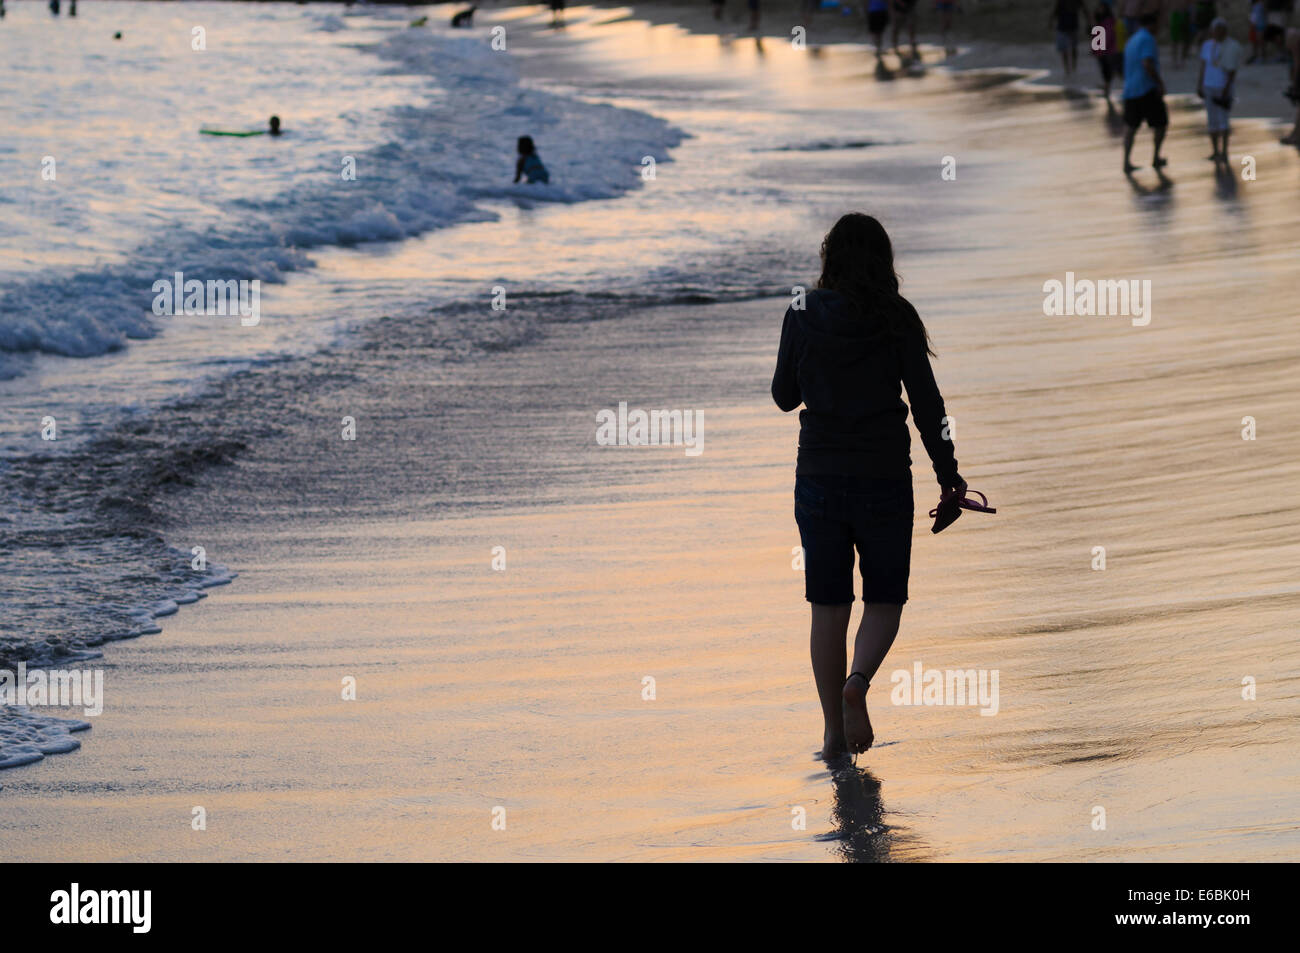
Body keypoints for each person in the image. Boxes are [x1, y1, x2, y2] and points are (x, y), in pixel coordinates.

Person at [772, 213, 966, 759]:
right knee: (884, 598)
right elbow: (929, 406)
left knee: (827, 607)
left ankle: (833, 733)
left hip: (819, 478)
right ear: (885, 261)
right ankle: (858, 682)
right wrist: (949, 477)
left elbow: (784, 397)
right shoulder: (896, 316)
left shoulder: (803, 310)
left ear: (828, 258)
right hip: (883, 476)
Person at [1122, 12, 1169, 173]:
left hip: (1130, 90)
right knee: (1161, 124)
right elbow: (1147, 63)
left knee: (1131, 127)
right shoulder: (1148, 39)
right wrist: (1159, 83)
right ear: (1152, 24)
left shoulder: (1132, 40)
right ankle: (1155, 157)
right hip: (1146, 89)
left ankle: (1126, 162)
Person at [1197, 17, 1241, 164]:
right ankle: (1215, 150)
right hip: (1209, 85)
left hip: (1223, 87)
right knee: (1212, 120)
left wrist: (1227, 88)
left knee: (1223, 120)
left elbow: (1232, 70)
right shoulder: (1207, 46)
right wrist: (1200, 84)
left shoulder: (1231, 47)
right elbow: (1203, 66)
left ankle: (1224, 151)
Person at [1050, 0, 1091, 77]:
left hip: (1072, 26)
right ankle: (1068, 69)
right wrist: (1051, 21)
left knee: (1073, 48)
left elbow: (1085, 10)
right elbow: (1055, 11)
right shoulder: (1061, 2)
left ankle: (1073, 67)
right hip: (1063, 27)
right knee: (1065, 49)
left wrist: (1089, 21)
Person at [1092, 2, 1124, 99]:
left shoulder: (1109, 21)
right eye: (1099, 8)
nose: (1099, 10)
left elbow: (1108, 37)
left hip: (1109, 52)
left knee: (1116, 71)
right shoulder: (1100, 22)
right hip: (1103, 52)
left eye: (1101, 8)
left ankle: (1109, 88)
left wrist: (1099, 49)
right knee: (1107, 71)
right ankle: (1107, 89)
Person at [1169, 1, 1193, 68]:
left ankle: (1182, 60)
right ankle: (1175, 60)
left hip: (1184, 15)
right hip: (1176, 15)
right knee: (1175, 42)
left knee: (1184, 42)